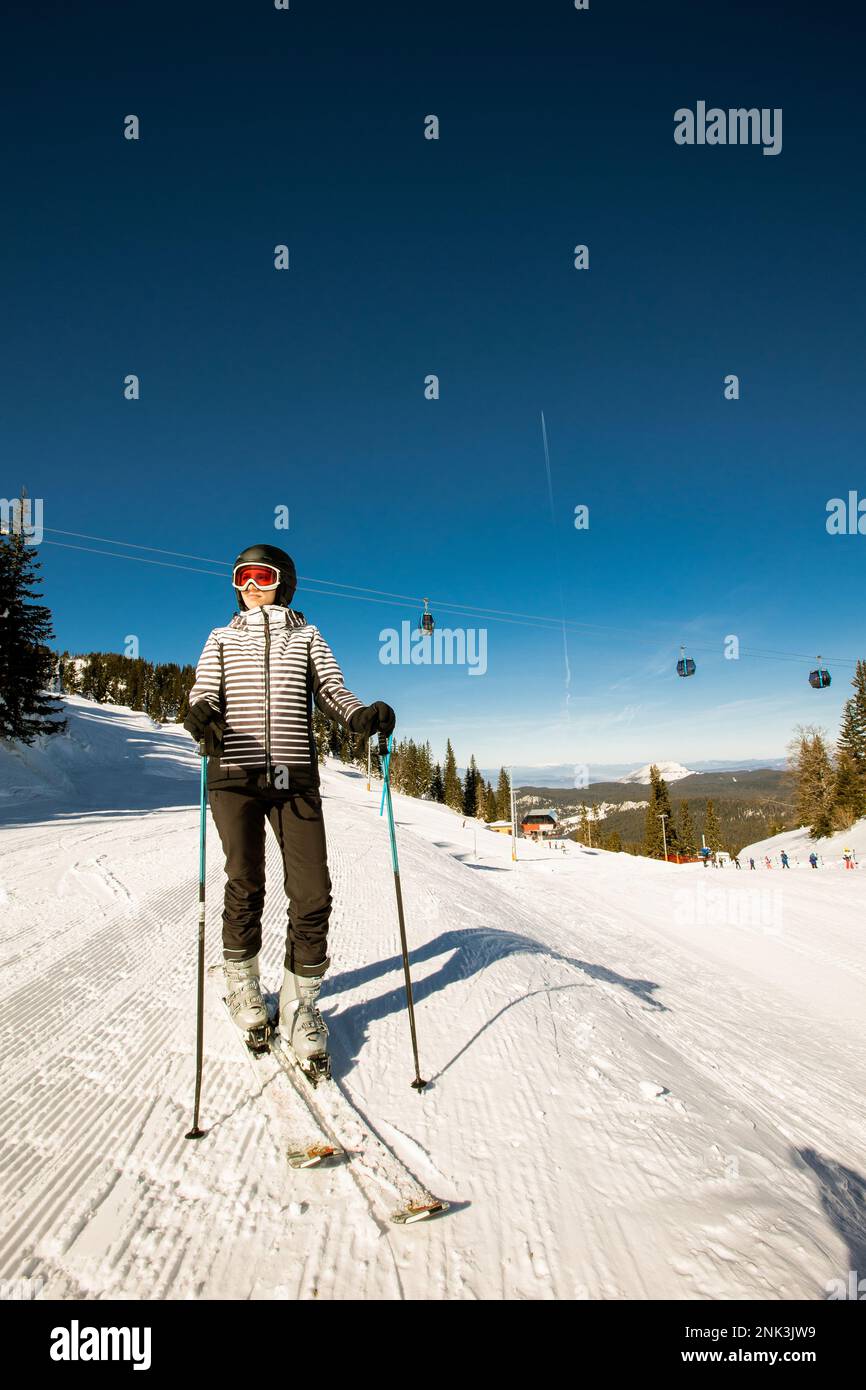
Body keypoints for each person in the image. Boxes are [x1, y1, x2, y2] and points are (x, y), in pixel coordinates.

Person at [183, 543, 395, 1073]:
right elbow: (202, 692)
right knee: (245, 880)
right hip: (234, 776)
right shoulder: (221, 637)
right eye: (242, 576)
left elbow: (331, 692)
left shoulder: (307, 635)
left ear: (285, 582)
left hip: (293, 778)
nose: (251, 584)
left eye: (263, 574)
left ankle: (301, 1006)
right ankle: (244, 987)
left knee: (312, 891)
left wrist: (360, 717)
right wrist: (201, 716)